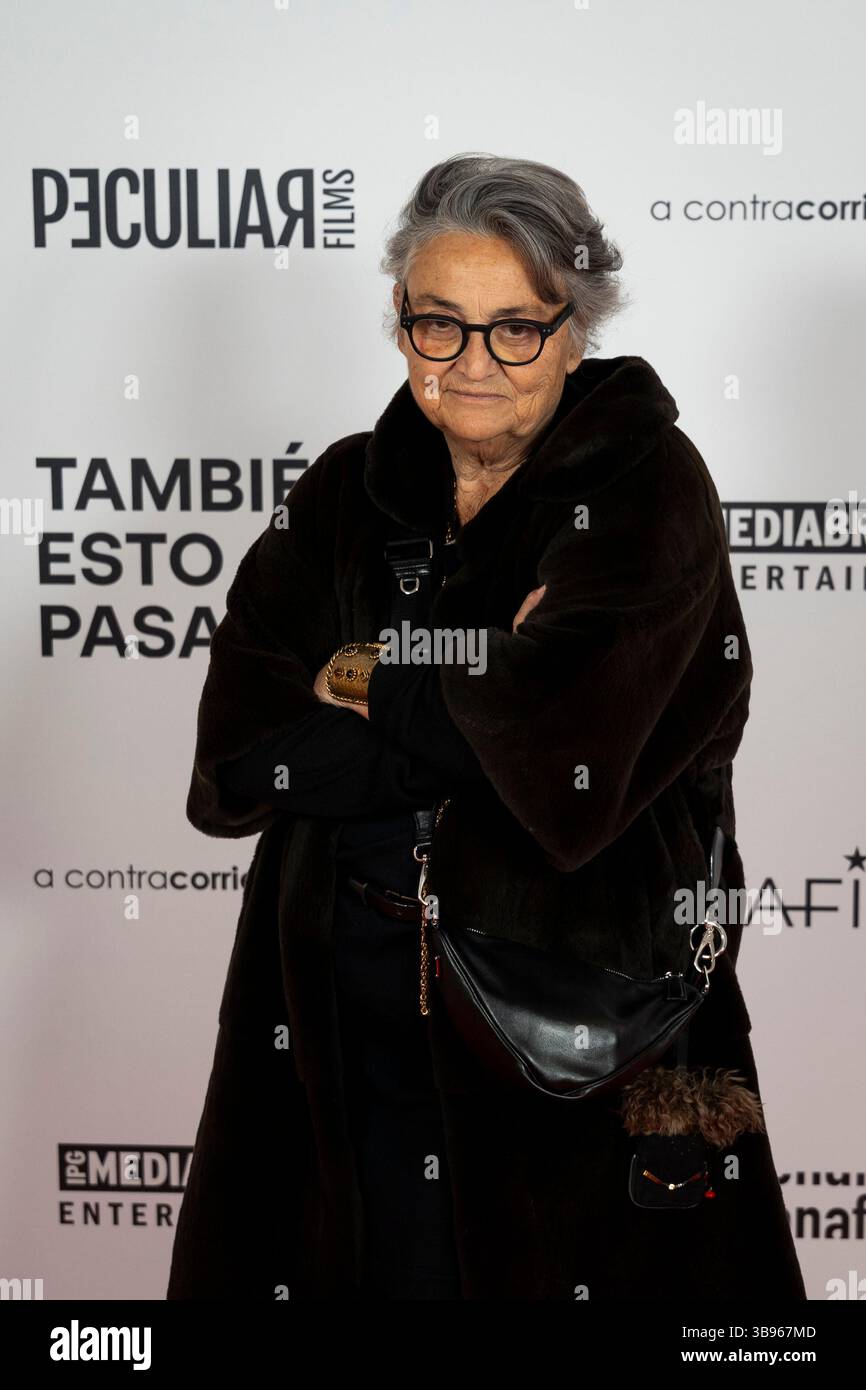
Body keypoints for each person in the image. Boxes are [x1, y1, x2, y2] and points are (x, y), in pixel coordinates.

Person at [166, 153, 806, 1301]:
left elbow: (558, 767)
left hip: (566, 1038)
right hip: (330, 1036)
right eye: (438, 325)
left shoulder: (645, 488)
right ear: (401, 325)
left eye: (513, 328)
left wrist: (352, 672)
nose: (471, 364)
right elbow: (231, 762)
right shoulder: (345, 489)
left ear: (573, 328)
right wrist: (478, 681)